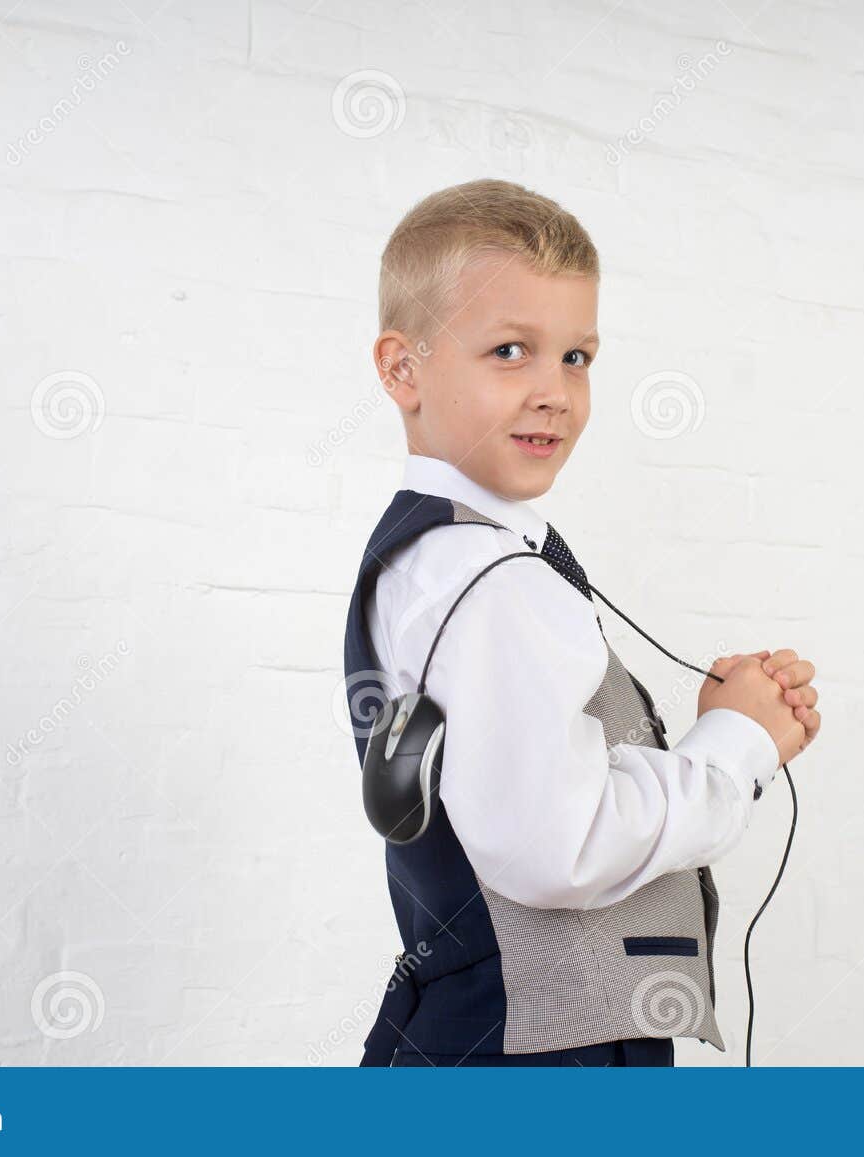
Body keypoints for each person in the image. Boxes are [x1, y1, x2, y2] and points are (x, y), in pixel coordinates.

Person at [341, 178, 821, 1067]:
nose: (555, 391)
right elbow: (553, 846)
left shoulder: (434, 558)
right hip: (537, 1054)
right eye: (509, 350)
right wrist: (734, 747)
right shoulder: (493, 581)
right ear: (403, 369)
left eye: (576, 357)